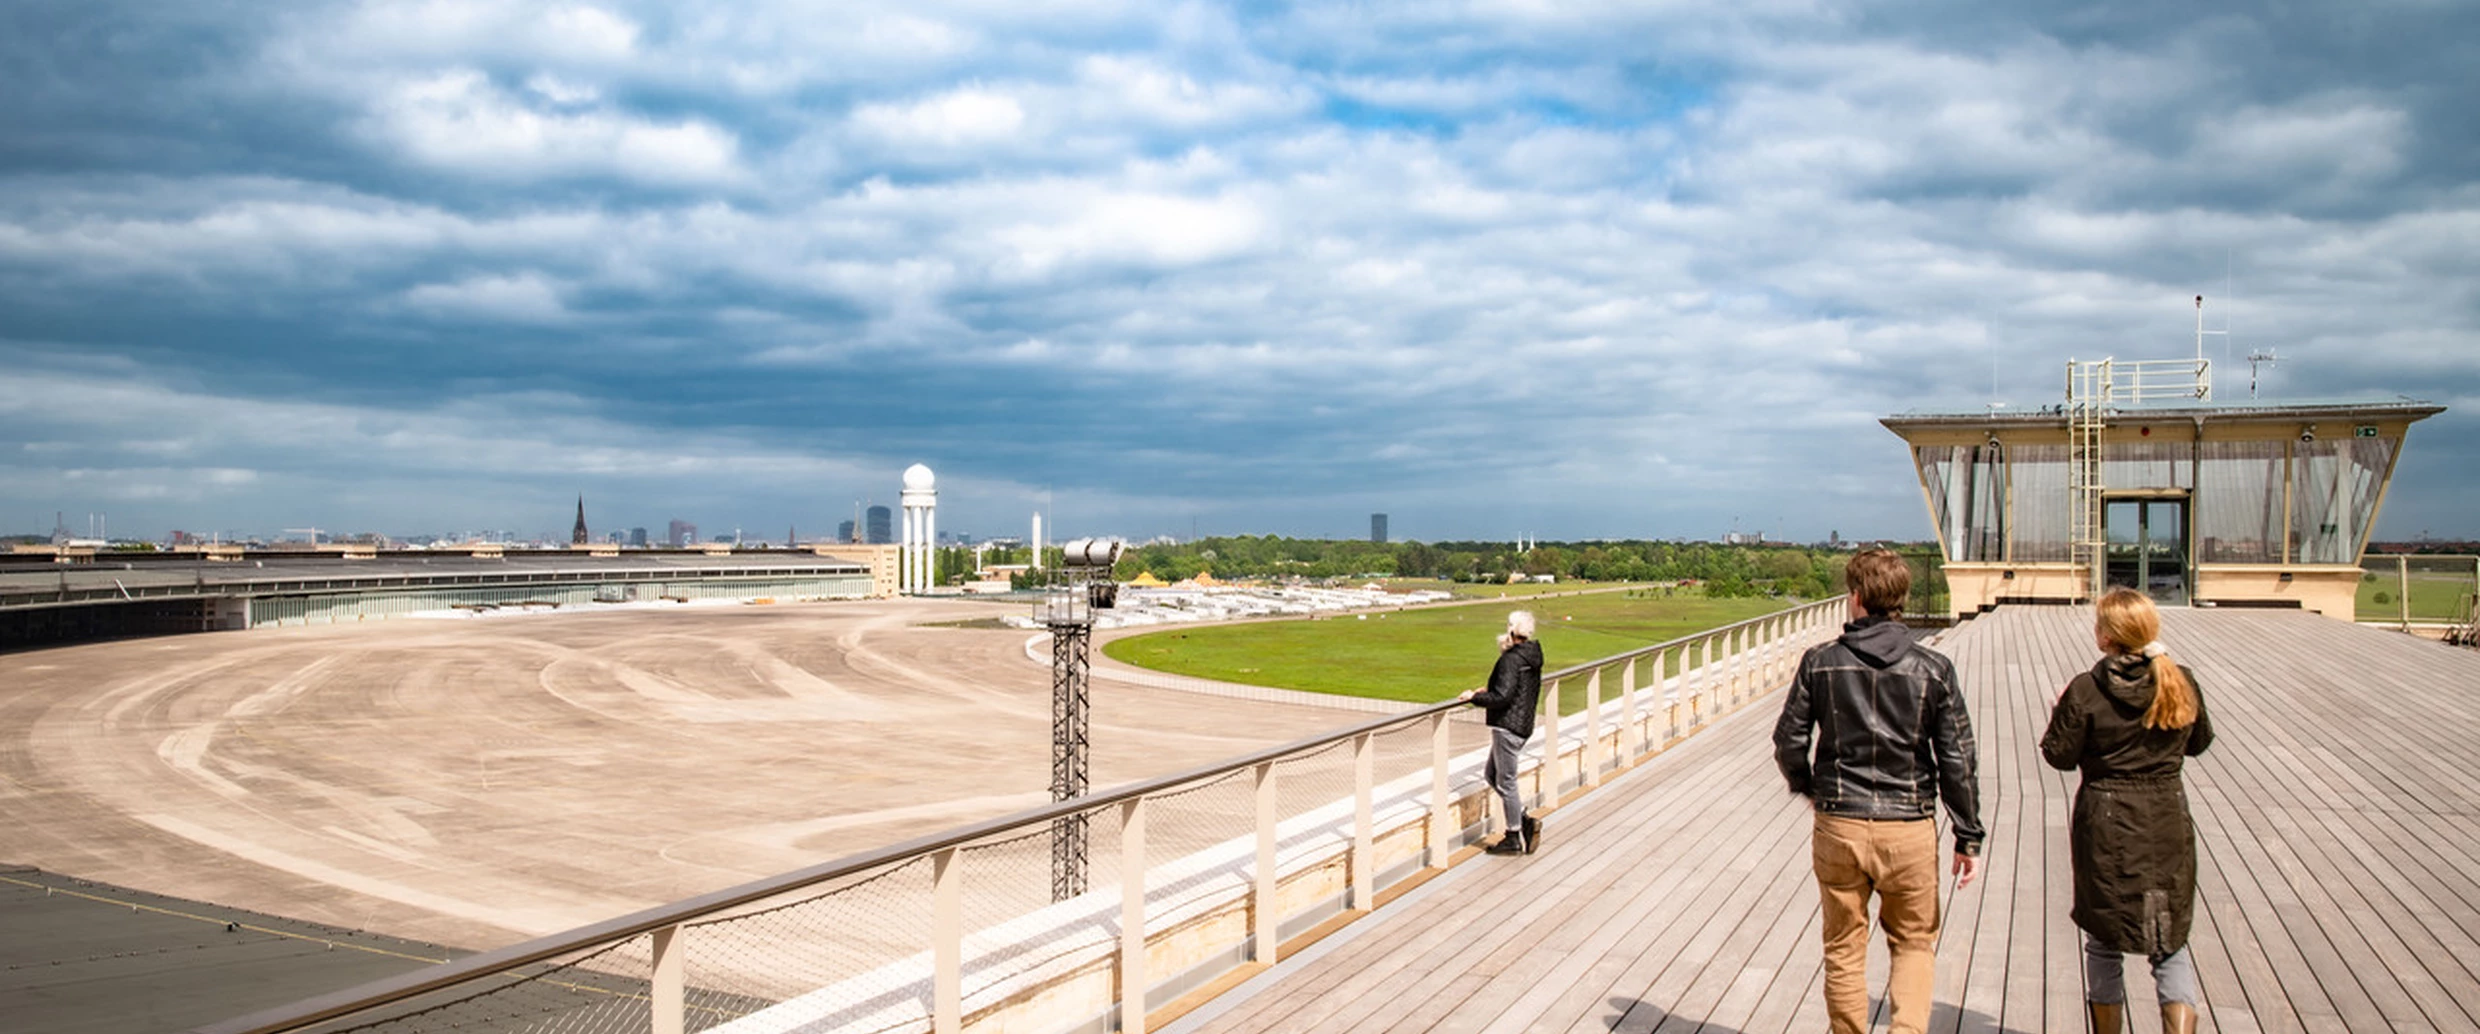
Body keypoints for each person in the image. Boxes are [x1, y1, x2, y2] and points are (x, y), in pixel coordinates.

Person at [1773, 549, 1984, 1034]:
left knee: (1843, 944)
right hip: (1909, 825)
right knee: (1913, 943)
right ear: (1901, 600)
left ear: (1857, 597)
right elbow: (1957, 760)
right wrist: (1967, 835)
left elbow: (1788, 741)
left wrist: (1808, 789)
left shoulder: (1820, 663)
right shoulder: (1934, 669)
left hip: (1839, 823)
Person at [2042, 588, 2214, 1034]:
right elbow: (2199, 743)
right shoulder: (2181, 680)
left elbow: (2059, 755)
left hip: (2106, 821)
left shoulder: (2085, 688)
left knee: (2104, 937)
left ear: (2106, 637)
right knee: (2169, 939)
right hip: (2166, 816)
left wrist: (2059, 711)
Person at [1458, 610, 1543, 855]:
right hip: (1522, 723)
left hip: (1507, 726)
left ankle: (1513, 835)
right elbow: (1513, 687)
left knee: (1505, 781)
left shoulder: (1511, 659)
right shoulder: (1531, 655)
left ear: (1510, 629)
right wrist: (1489, 689)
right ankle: (1524, 819)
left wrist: (1475, 697)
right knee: (1492, 774)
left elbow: (1503, 696)